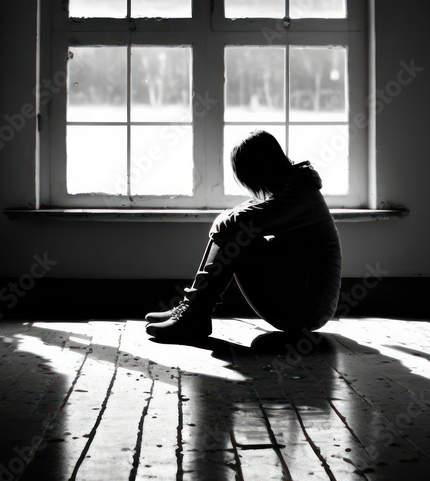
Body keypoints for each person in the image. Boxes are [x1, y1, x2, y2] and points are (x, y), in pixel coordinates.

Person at [145, 129, 343, 341]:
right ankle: (193, 310)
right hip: (303, 299)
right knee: (237, 234)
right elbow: (235, 223)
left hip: (306, 312)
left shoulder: (300, 196)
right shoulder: (295, 189)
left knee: (236, 236)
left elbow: (227, 227)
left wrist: (228, 220)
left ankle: (194, 313)